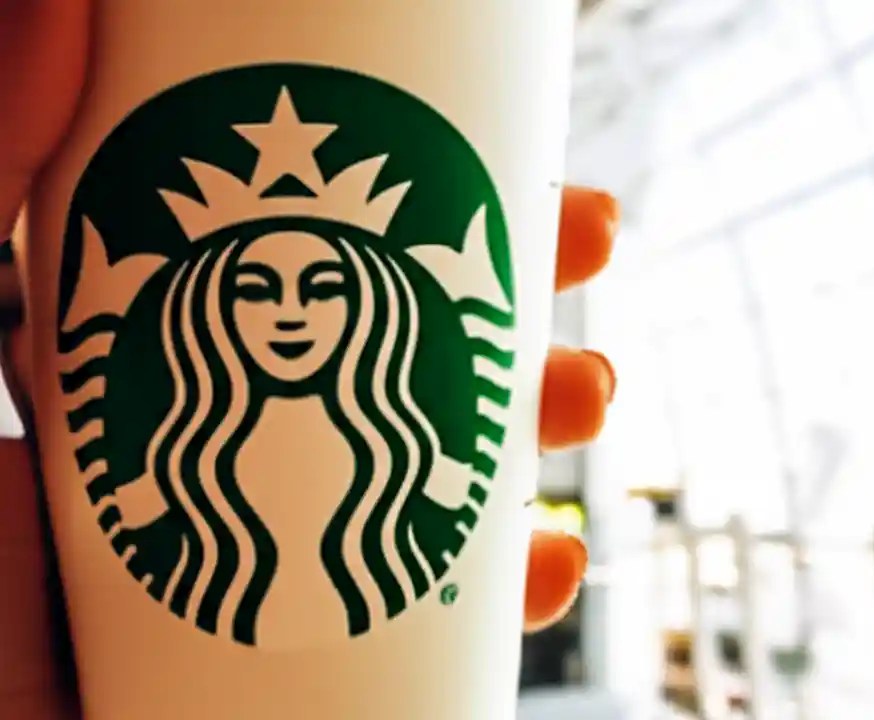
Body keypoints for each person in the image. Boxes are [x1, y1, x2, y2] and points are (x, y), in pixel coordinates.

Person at [0, 2, 617, 717]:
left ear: (369, 305)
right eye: (256, 289)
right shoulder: (156, 482)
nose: (290, 312)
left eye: (322, 288)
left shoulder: (425, 471)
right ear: (209, 308)